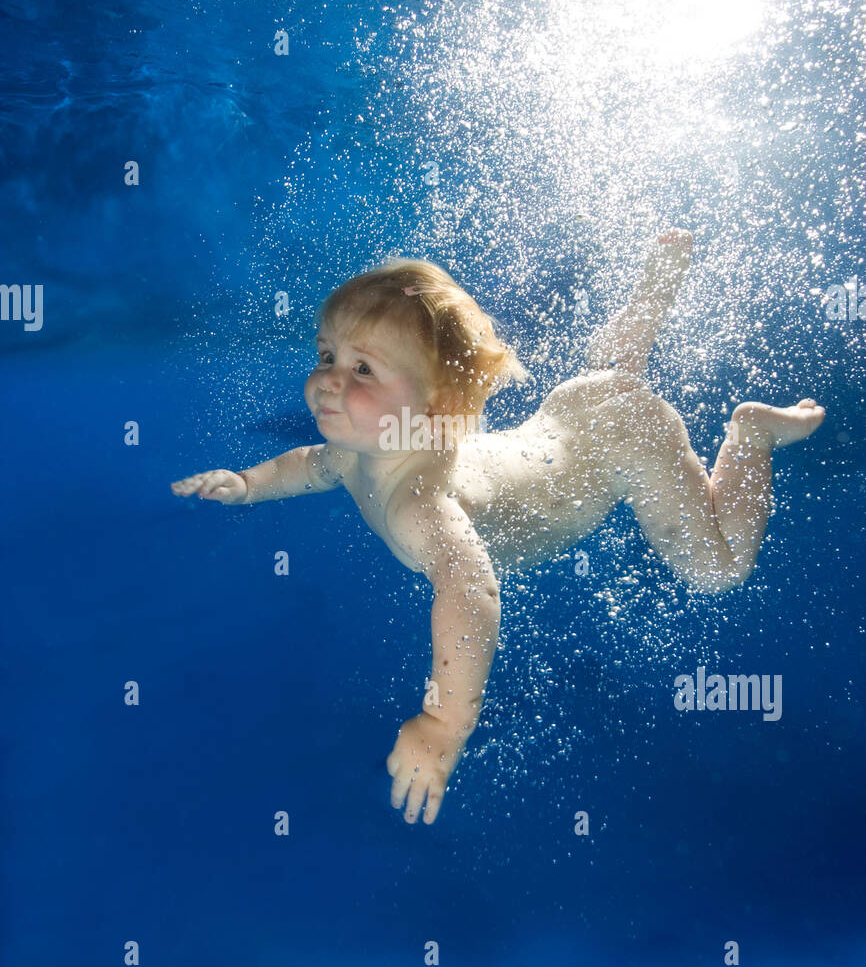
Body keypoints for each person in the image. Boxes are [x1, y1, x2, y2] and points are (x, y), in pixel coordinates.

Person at [171, 229, 824, 826]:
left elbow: (471, 589)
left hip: (623, 442)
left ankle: (750, 433)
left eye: (362, 369)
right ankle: (626, 348)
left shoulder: (420, 503)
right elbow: (313, 466)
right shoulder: (361, 449)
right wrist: (250, 483)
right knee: (614, 385)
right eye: (327, 354)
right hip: (575, 411)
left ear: (433, 402)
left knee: (717, 570)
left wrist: (443, 723)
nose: (327, 381)